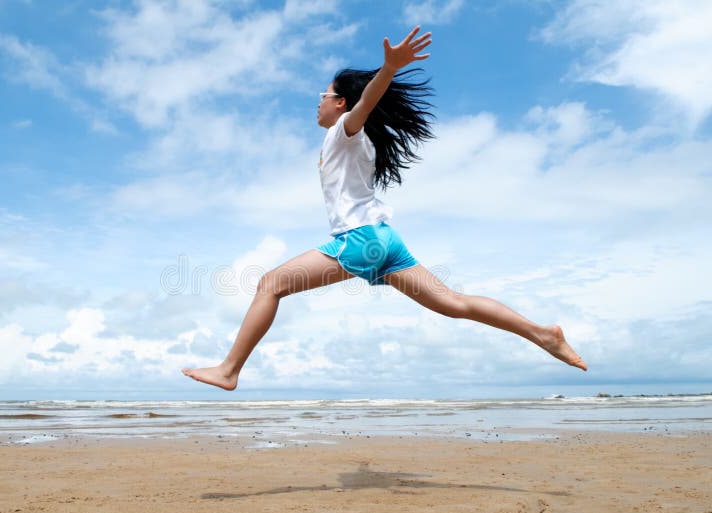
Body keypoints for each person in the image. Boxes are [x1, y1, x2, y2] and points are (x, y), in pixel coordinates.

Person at [182, 26, 587, 391]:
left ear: (341, 103)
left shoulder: (344, 131)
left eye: (323, 96)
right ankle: (542, 334)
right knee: (454, 303)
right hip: (383, 241)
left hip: (360, 240)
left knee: (270, 284)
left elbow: (365, 105)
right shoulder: (356, 142)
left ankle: (229, 369)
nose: (318, 103)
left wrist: (389, 69)